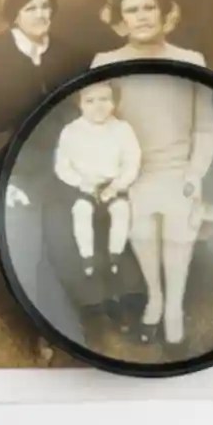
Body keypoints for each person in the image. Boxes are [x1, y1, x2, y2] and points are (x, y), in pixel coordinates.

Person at [0, 0, 89, 350]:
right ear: (14, 14)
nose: (41, 14)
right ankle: (35, 330)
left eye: (46, 6)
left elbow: (82, 120)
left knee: (67, 238)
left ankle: (64, 327)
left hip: (57, 171)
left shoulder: (69, 55)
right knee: (13, 247)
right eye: (31, 7)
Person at [91, 0, 213, 348]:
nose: (142, 16)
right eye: (132, 10)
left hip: (179, 170)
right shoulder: (105, 61)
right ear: (120, 19)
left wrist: (195, 174)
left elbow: (206, 128)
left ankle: (175, 307)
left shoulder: (190, 60)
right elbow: (96, 123)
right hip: (133, 174)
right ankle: (156, 296)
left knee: (179, 239)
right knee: (143, 236)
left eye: (149, 7)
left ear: (165, 13)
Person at [54, 82, 142, 282]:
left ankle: (115, 257)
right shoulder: (71, 131)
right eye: (90, 101)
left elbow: (132, 161)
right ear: (80, 104)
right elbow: (62, 166)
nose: (98, 106)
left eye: (104, 100)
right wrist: (80, 181)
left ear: (114, 103)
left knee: (121, 211)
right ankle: (87, 257)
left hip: (113, 183)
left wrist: (117, 185)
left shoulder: (122, 129)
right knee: (81, 211)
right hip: (84, 184)